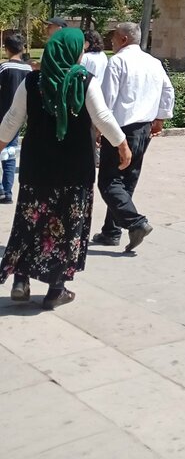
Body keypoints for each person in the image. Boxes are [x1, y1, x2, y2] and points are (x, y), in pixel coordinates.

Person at [0, 28, 130, 308]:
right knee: (66, 228)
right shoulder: (84, 82)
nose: (82, 54)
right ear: (72, 52)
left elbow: (12, 120)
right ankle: (55, 289)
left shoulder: (32, 81)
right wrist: (122, 145)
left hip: (37, 168)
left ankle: (21, 279)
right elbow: (103, 118)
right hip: (74, 171)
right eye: (80, 49)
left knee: (29, 223)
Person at [92, 22, 174, 252]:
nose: (111, 41)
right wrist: (160, 117)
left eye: (114, 37)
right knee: (126, 181)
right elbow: (168, 90)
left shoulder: (117, 61)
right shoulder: (154, 62)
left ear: (124, 39)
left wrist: (100, 127)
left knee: (109, 182)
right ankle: (111, 231)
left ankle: (136, 223)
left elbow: (107, 99)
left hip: (120, 130)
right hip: (143, 130)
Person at [0, 33, 32, 204]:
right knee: (10, 153)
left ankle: (0, 189)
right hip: (20, 117)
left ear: (6, 48)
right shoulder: (28, 70)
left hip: (2, 116)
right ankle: (8, 190)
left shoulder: (4, 68)